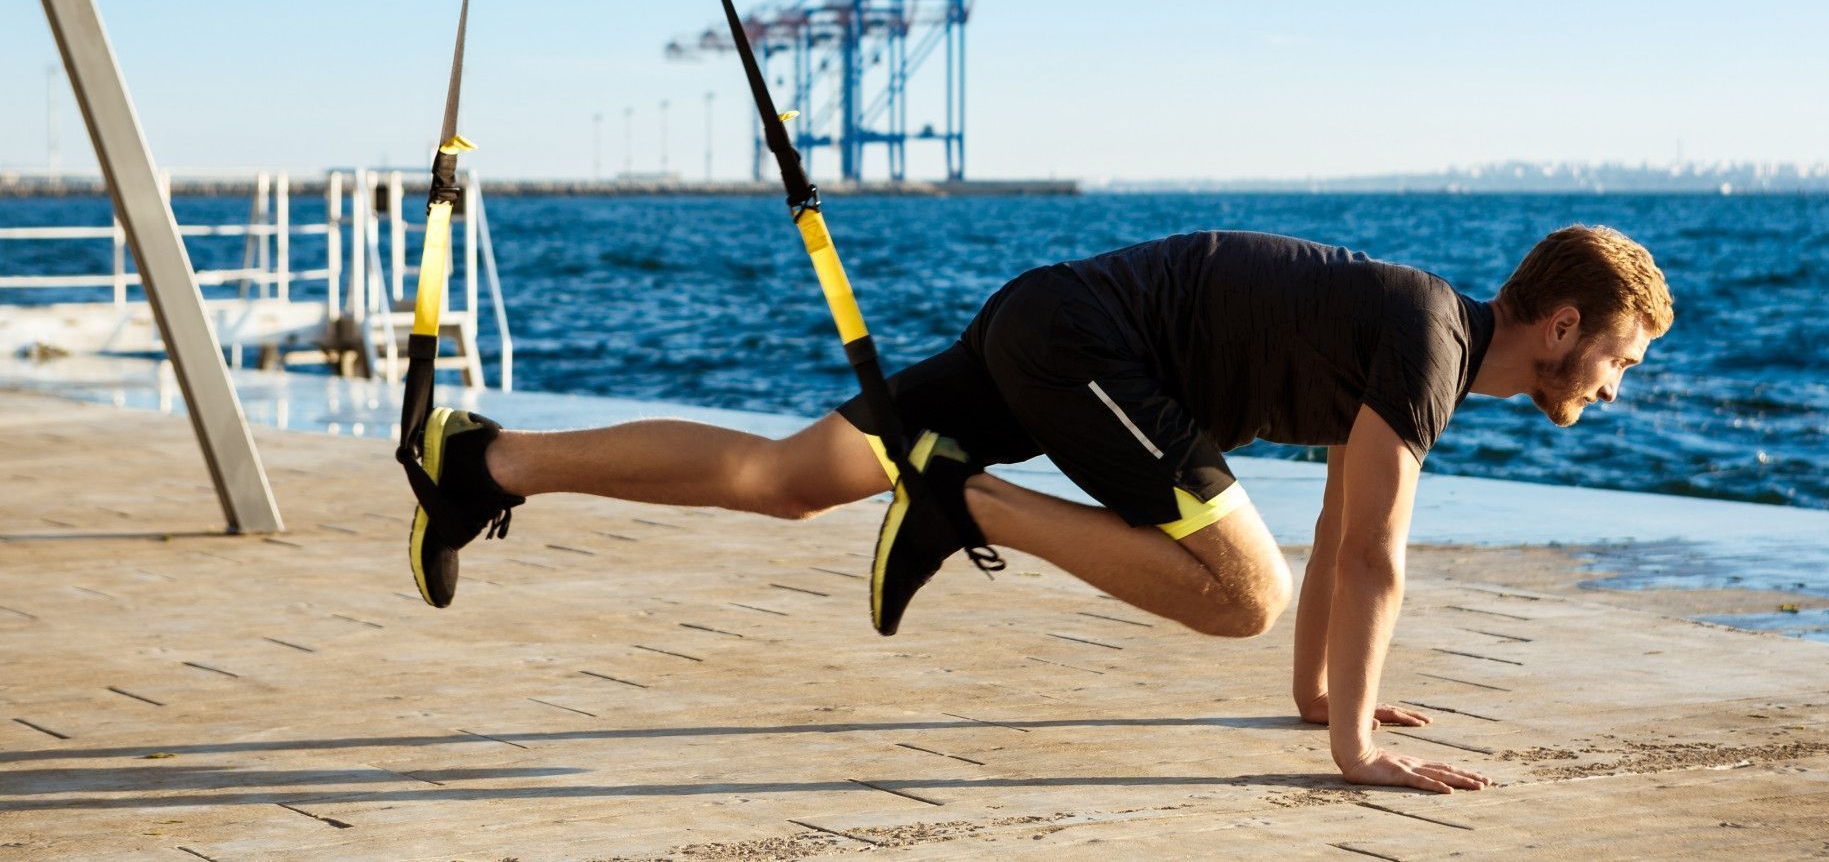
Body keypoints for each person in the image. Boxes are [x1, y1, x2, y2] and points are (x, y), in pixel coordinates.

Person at [403, 223, 1672, 795]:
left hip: (1053, 323)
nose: (1611, 384)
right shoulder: (1428, 342)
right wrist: (1354, 751)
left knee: (784, 484)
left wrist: (1315, 701)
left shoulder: (1419, 332)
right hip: (1085, 345)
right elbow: (1376, 561)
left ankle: (485, 460)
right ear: (1558, 324)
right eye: (1615, 356)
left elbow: (1349, 520)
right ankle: (963, 501)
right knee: (1240, 590)